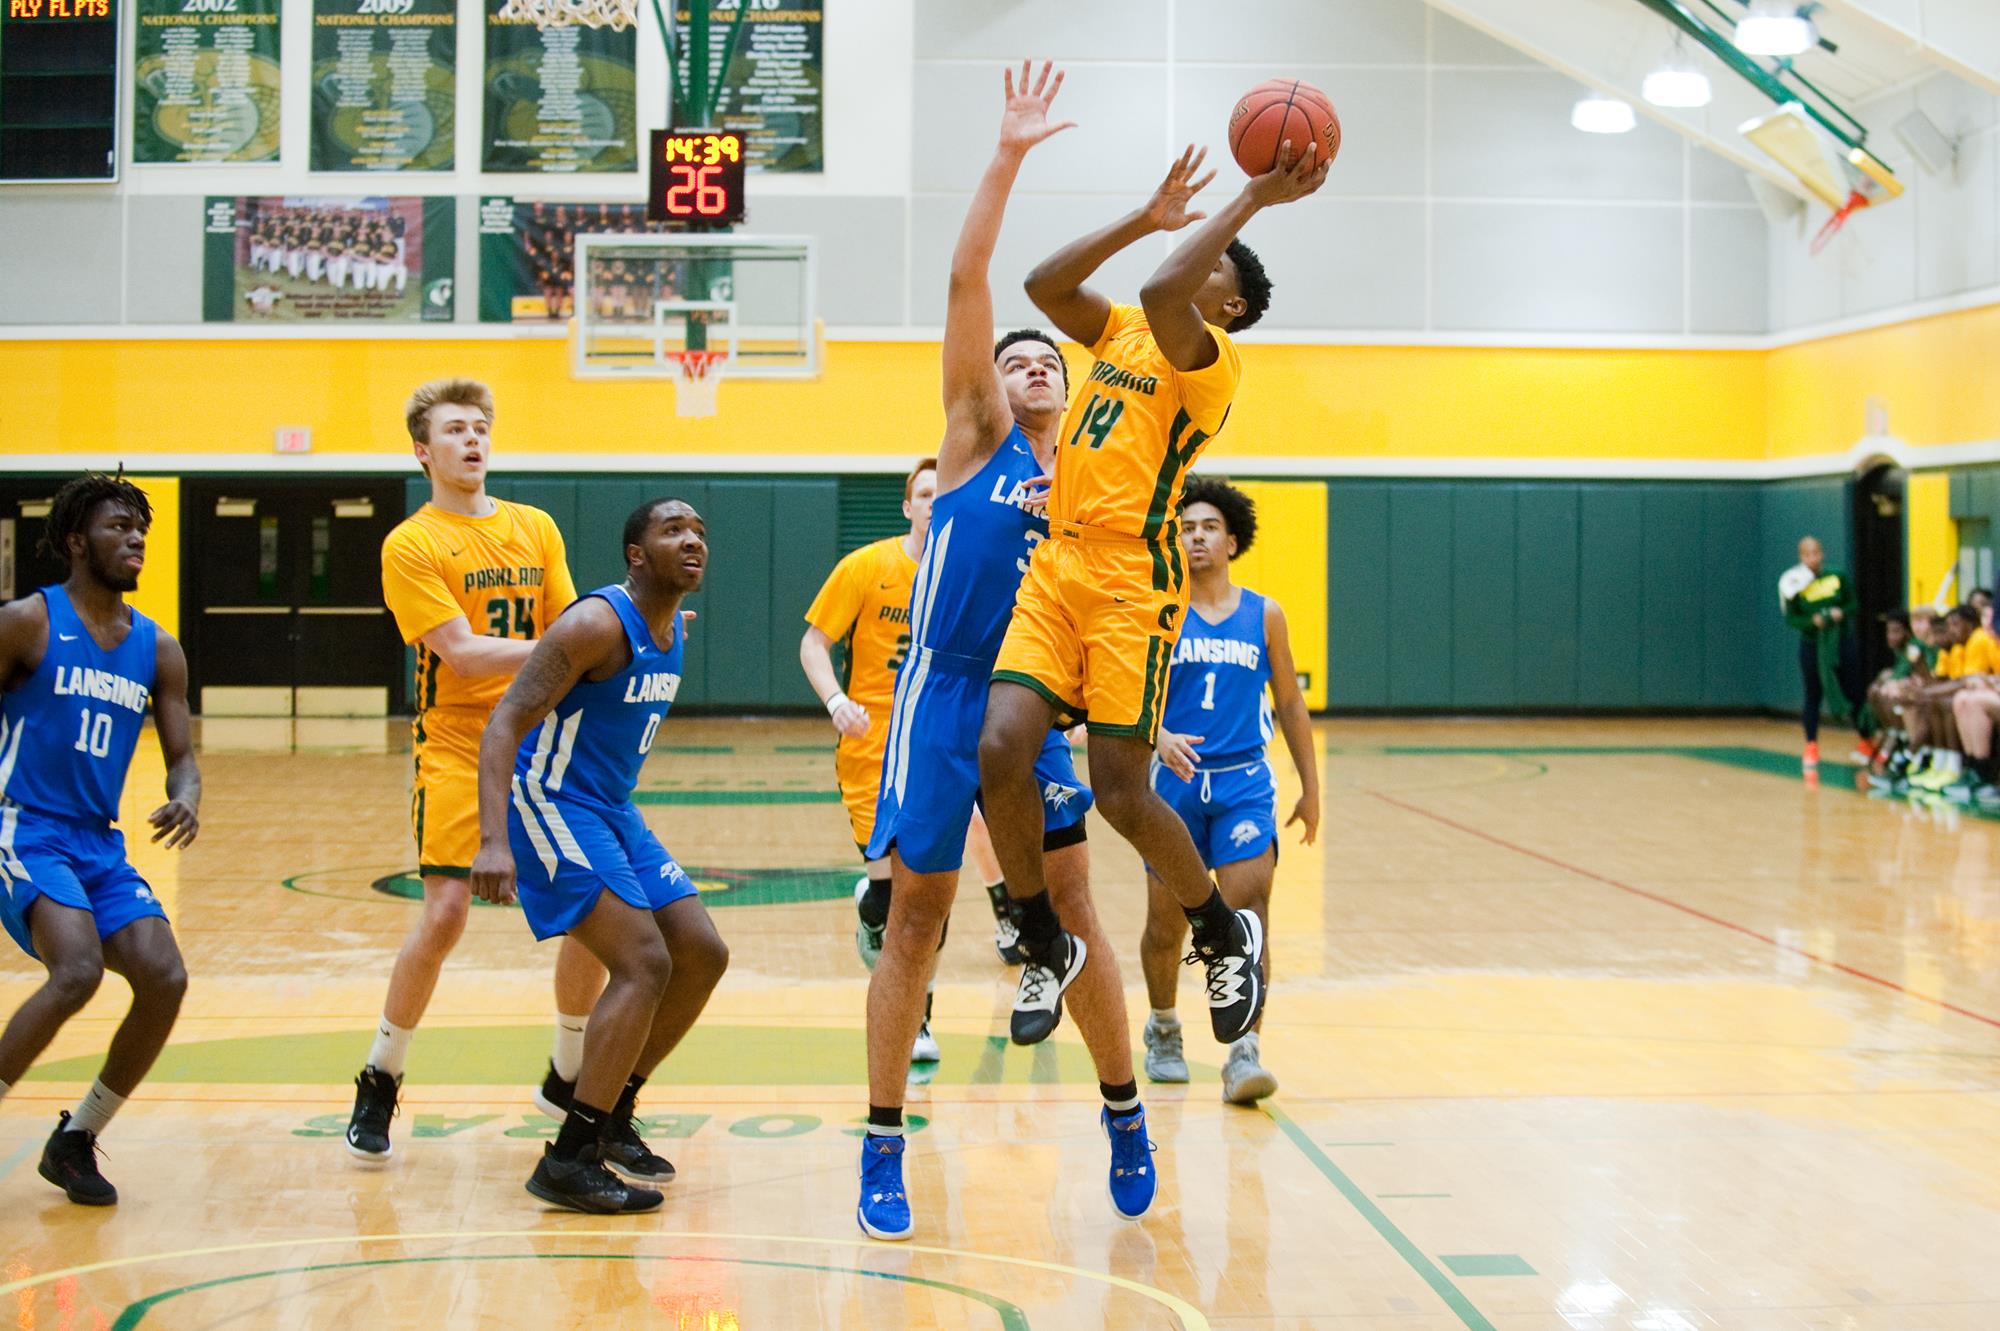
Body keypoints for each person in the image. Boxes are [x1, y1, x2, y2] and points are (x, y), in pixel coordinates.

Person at [857, 63, 1144, 1241]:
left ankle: (1123, 1106)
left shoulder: (1089, 477)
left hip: (1033, 704)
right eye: (1017, 355)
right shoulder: (975, 440)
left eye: (1050, 360)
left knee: (1074, 904)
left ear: (1071, 391)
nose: (1032, 362)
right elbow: (970, 276)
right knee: (914, 919)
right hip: (938, 697)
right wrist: (1009, 154)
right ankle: (883, 1143)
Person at [978, 129, 1327, 1054]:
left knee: (1122, 797)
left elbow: (1163, 287)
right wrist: (1142, 215)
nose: (1191, 258)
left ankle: (1219, 932)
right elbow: (1043, 288)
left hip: (1134, 578)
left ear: (1234, 301)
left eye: (1213, 259)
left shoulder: (1208, 363)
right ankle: (1041, 939)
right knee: (1000, 746)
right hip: (1060, 561)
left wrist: (1249, 199)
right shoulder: (1126, 331)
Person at [346, 379, 608, 1163]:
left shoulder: (535, 527)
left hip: (537, 740)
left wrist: (590, 646)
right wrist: (579, 646)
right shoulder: (411, 543)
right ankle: (381, 1074)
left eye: (481, 427)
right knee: (448, 910)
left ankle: (567, 1071)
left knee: (600, 906)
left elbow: (569, 623)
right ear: (423, 451)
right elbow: (460, 653)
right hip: (459, 744)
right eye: (454, 429)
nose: (473, 439)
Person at [471, 498, 728, 1213]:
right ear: (635, 554)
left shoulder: (671, 624)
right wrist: (493, 840)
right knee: (645, 961)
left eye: (700, 531)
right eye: (673, 530)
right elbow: (503, 725)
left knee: (702, 950)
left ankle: (611, 1109)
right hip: (548, 800)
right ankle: (570, 1155)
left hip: (610, 808)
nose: (693, 540)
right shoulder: (592, 624)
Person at [0, 473, 199, 1206]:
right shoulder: (28, 621)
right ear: (77, 540)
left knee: (164, 976)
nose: (137, 538)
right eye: (119, 526)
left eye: (142, 528)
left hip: (98, 843)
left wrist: (186, 796)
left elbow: (182, 757)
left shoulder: (158, 647)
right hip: (27, 826)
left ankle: (76, 1136)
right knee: (77, 970)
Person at [1136, 478, 1319, 1105]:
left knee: (1249, 917)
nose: (1195, 536)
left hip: (1244, 783)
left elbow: (1290, 703)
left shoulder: (1264, 613)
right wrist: (1157, 734)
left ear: (1232, 539)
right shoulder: (1159, 612)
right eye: (1185, 528)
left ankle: (1244, 1053)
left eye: (1208, 526)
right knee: (1169, 925)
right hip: (1174, 788)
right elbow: (1126, 699)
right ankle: (1163, 1027)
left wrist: (1311, 790)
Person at [1780, 536, 1869, 770]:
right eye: (1807, 555)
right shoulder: (1793, 582)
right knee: (1813, 694)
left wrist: (1840, 613)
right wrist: (1812, 622)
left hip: (1841, 641)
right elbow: (1792, 618)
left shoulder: (1837, 576)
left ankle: (1866, 739)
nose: (1812, 559)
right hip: (1813, 645)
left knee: (1853, 689)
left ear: (1822, 553)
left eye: (1816, 553)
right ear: (1801, 557)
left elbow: (1854, 605)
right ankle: (1811, 744)